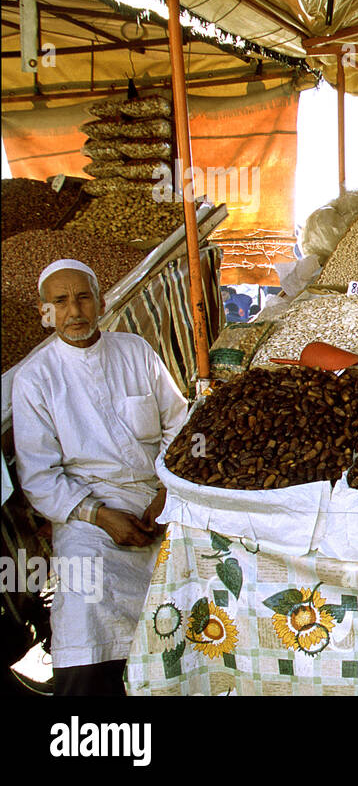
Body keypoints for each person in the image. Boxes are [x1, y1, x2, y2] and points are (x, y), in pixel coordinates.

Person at [12, 259, 188, 695]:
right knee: (85, 609)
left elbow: (179, 425)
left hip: (161, 499)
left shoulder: (135, 351)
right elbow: (40, 477)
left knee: (199, 585)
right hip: (88, 516)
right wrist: (103, 516)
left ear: (102, 302)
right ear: (45, 313)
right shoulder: (35, 377)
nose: (75, 311)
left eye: (83, 297)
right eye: (61, 301)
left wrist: (166, 491)